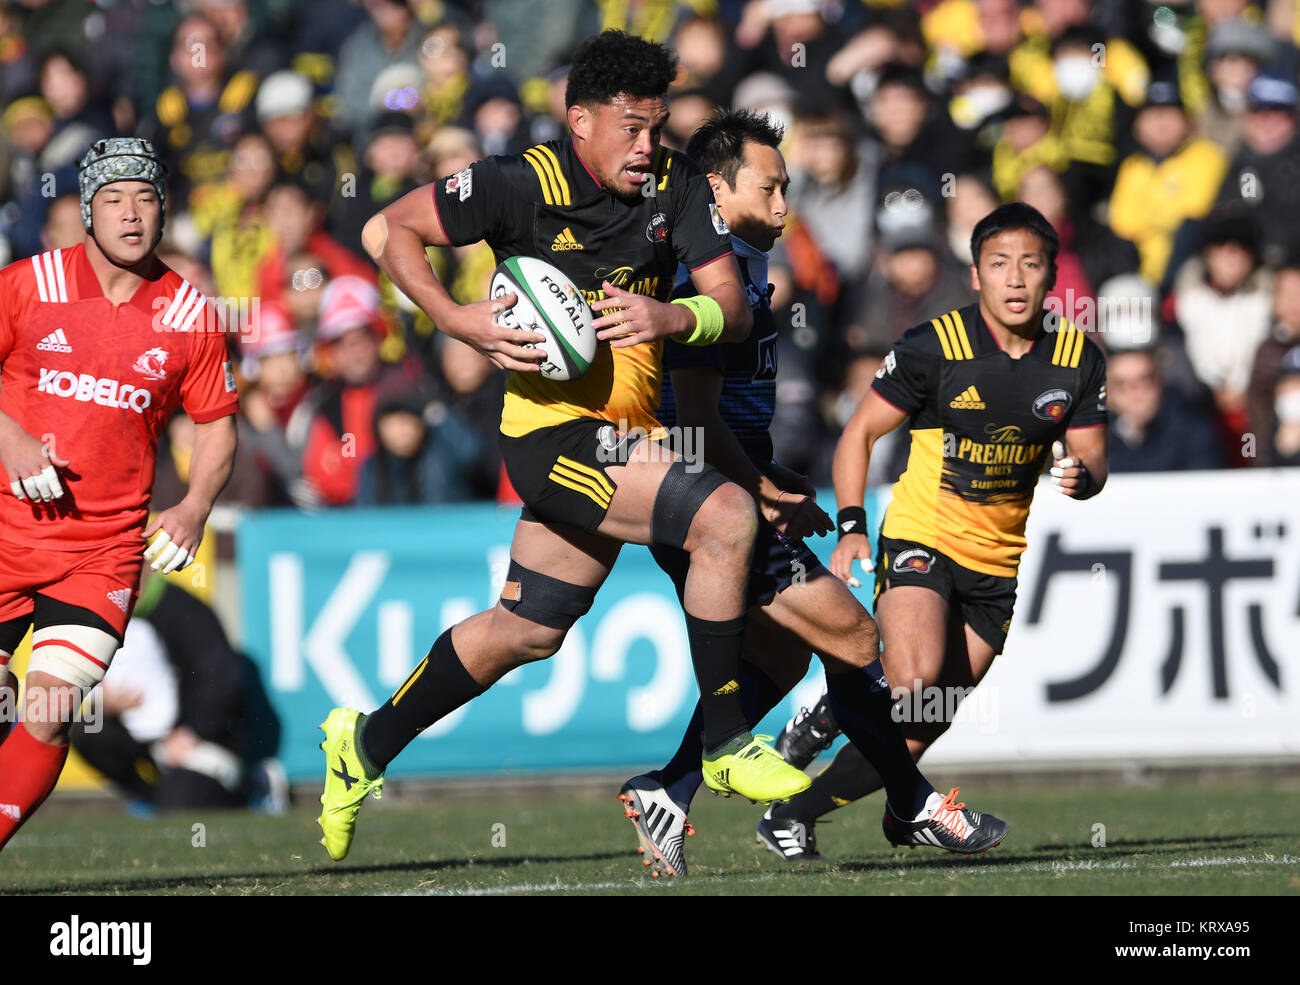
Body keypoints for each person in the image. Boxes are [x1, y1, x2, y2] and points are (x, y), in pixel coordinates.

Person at [316, 30, 811, 862]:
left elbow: (734, 303)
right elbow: (388, 229)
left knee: (528, 628)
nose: (647, 147)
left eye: (656, 128)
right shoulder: (518, 183)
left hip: (637, 437)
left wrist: (671, 316)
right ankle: (726, 744)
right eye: (631, 129)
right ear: (578, 120)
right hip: (554, 437)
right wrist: (457, 319)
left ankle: (360, 745)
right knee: (725, 518)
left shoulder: (679, 184)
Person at [616, 109, 1009, 877]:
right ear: (716, 190)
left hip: (725, 484)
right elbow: (690, 415)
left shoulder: (748, 263)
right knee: (859, 639)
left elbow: (722, 408)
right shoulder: (703, 268)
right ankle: (912, 801)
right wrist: (759, 486)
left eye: (789, 187)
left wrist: (772, 476)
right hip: (703, 497)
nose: (785, 204)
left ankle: (670, 786)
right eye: (770, 187)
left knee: (787, 660)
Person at [762, 202, 1108, 858]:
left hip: (997, 565)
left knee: (920, 723)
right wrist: (853, 527)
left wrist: (1081, 477)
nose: (1014, 279)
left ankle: (800, 812)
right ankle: (837, 715)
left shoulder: (1076, 358)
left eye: (1029, 265)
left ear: (1051, 276)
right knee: (916, 676)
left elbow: (1093, 460)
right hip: (923, 535)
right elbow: (857, 433)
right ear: (975, 275)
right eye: (999, 264)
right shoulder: (933, 346)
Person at [0, 137, 239, 851]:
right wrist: (9, 436)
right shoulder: (24, 285)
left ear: (164, 213)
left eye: (145, 199)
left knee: (45, 711)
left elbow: (219, 430)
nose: (130, 215)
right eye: (113, 200)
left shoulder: (193, 315)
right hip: (6, 534)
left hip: (101, 553)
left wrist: (194, 505)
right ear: (86, 211)